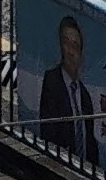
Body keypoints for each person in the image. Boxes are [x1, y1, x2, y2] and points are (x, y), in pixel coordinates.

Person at [33, 11, 100, 165]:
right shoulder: (52, 80)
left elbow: (89, 138)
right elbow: (49, 129)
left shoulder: (84, 95)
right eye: (66, 42)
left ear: (81, 53)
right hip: (61, 161)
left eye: (75, 45)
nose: (70, 51)